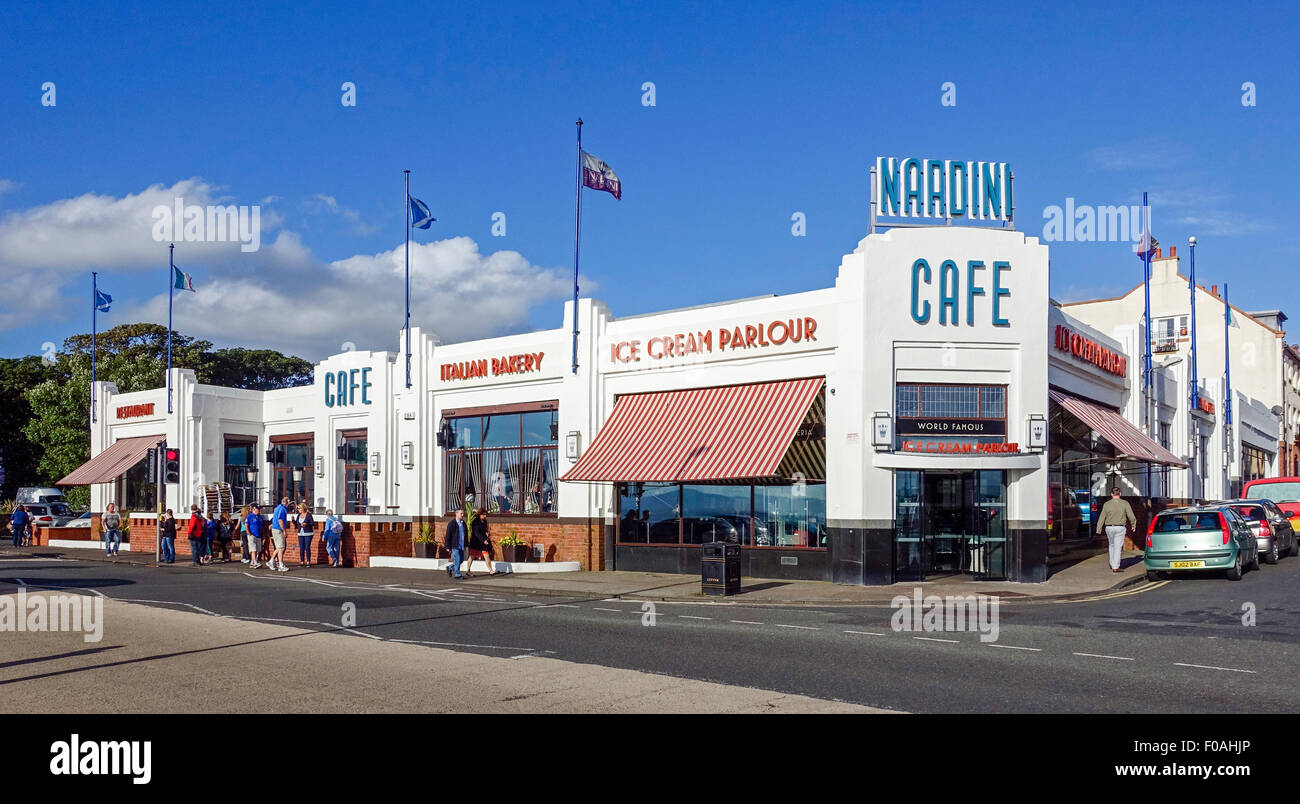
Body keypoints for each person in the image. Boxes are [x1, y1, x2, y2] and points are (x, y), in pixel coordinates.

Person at [1095, 487, 1137, 573]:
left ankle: (1112, 562)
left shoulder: (1106, 504)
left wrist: (1098, 528)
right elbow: (1131, 516)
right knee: (1118, 547)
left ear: (1111, 494)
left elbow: (1102, 517)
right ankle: (1115, 566)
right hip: (1120, 527)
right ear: (1120, 494)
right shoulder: (1125, 503)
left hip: (1109, 528)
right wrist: (1133, 525)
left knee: (1112, 545)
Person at [468, 508, 500, 577]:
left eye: (486, 514)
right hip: (476, 541)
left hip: (483, 542)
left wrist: (486, 533)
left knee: (486, 555)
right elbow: (477, 532)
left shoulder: (484, 521)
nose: (485, 516)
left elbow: (484, 529)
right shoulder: (475, 522)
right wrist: (483, 540)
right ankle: (468, 570)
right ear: (479, 514)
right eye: (483, 514)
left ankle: (491, 570)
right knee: (472, 556)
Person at [444, 508, 468, 579]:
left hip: (462, 545)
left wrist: (466, 544)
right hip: (455, 545)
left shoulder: (463, 523)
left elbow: (465, 534)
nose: (462, 515)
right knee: (457, 560)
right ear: (456, 514)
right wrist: (447, 547)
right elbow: (448, 535)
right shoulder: (452, 524)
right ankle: (457, 575)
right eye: (461, 513)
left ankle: (450, 567)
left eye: (463, 513)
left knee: (461, 560)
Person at [268, 496, 290, 572]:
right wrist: (284, 530)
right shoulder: (282, 509)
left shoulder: (278, 507)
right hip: (278, 529)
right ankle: (280, 564)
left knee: (279, 547)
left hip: (275, 528)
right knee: (281, 548)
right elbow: (280, 520)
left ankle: (271, 561)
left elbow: (275, 518)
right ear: (287, 502)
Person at [295, 502, 316, 567]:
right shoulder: (299, 515)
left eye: (299, 508)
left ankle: (308, 562)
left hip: (308, 533)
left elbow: (312, 523)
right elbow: (297, 523)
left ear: (303, 508)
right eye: (298, 509)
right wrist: (293, 521)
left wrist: (306, 524)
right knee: (301, 548)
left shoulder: (308, 515)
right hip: (300, 533)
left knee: (307, 547)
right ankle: (302, 562)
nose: (298, 510)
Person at [245, 505, 264, 569]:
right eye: (258, 509)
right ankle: (255, 562)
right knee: (253, 549)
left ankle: (252, 563)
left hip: (258, 535)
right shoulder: (250, 516)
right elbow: (246, 525)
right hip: (252, 535)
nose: (259, 511)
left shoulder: (260, 517)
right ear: (254, 509)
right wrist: (249, 533)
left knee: (257, 550)